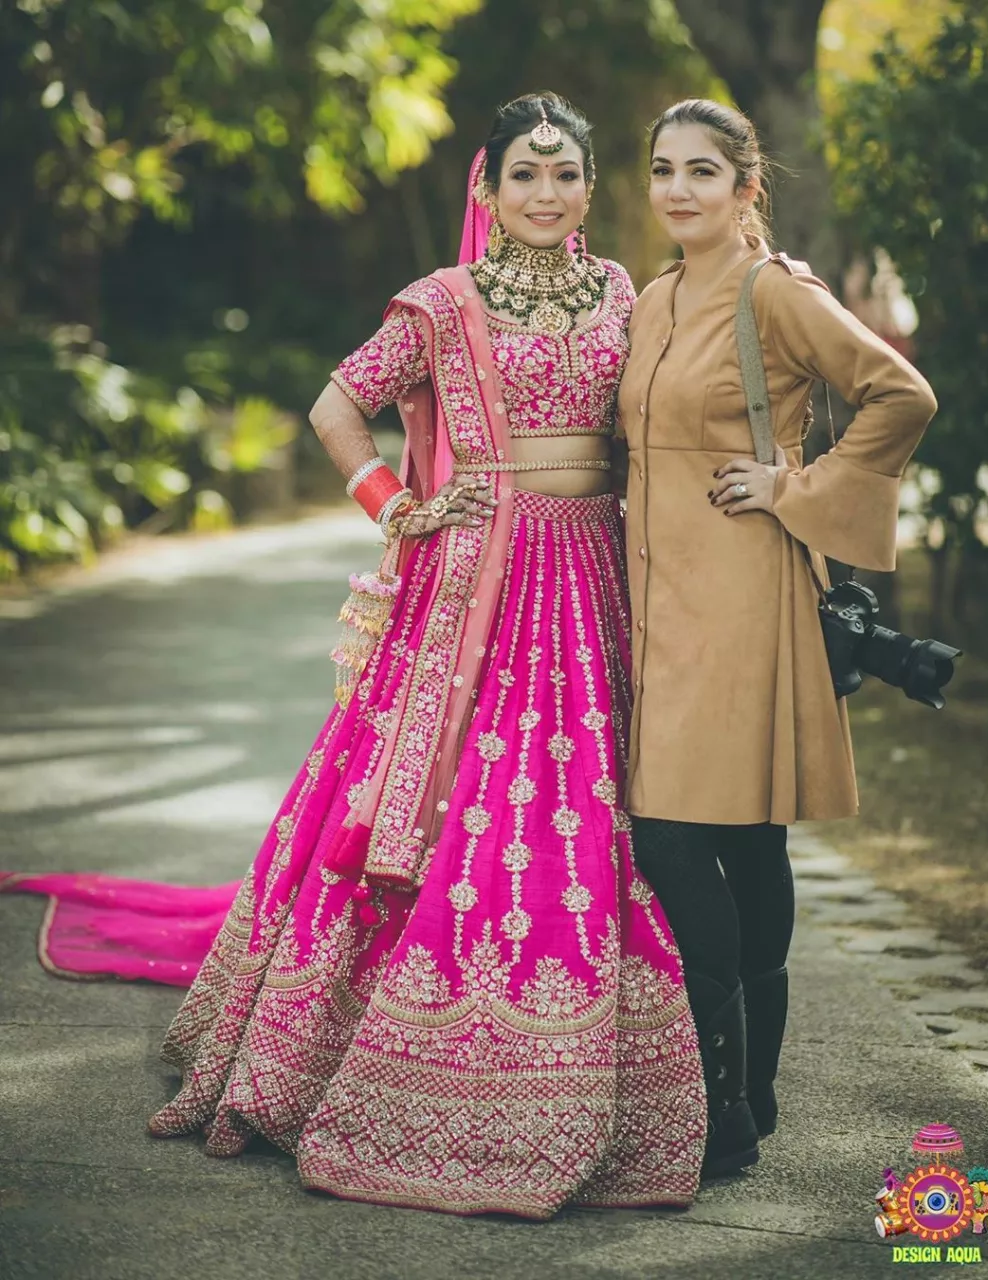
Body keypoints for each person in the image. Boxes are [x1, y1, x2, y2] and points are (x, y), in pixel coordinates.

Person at [0, 93, 707, 1217]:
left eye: (564, 174)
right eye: (524, 174)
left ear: (586, 185)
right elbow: (339, 404)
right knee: (448, 803)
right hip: (475, 579)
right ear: (486, 187)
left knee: (580, 807)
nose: (544, 194)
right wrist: (399, 501)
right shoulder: (439, 304)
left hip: (592, 577)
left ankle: (574, 1078)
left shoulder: (621, 288)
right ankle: (389, 1056)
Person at [618, 98, 937, 1178]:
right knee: (736, 839)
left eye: (702, 171)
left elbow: (900, 395)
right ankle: (750, 1091)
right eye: (663, 168)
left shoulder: (773, 291)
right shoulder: (654, 298)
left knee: (683, 834)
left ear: (747, 186)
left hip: (747, 599)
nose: (677, 189)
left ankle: (726, 1109)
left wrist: (795, 486)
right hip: (655, 609)